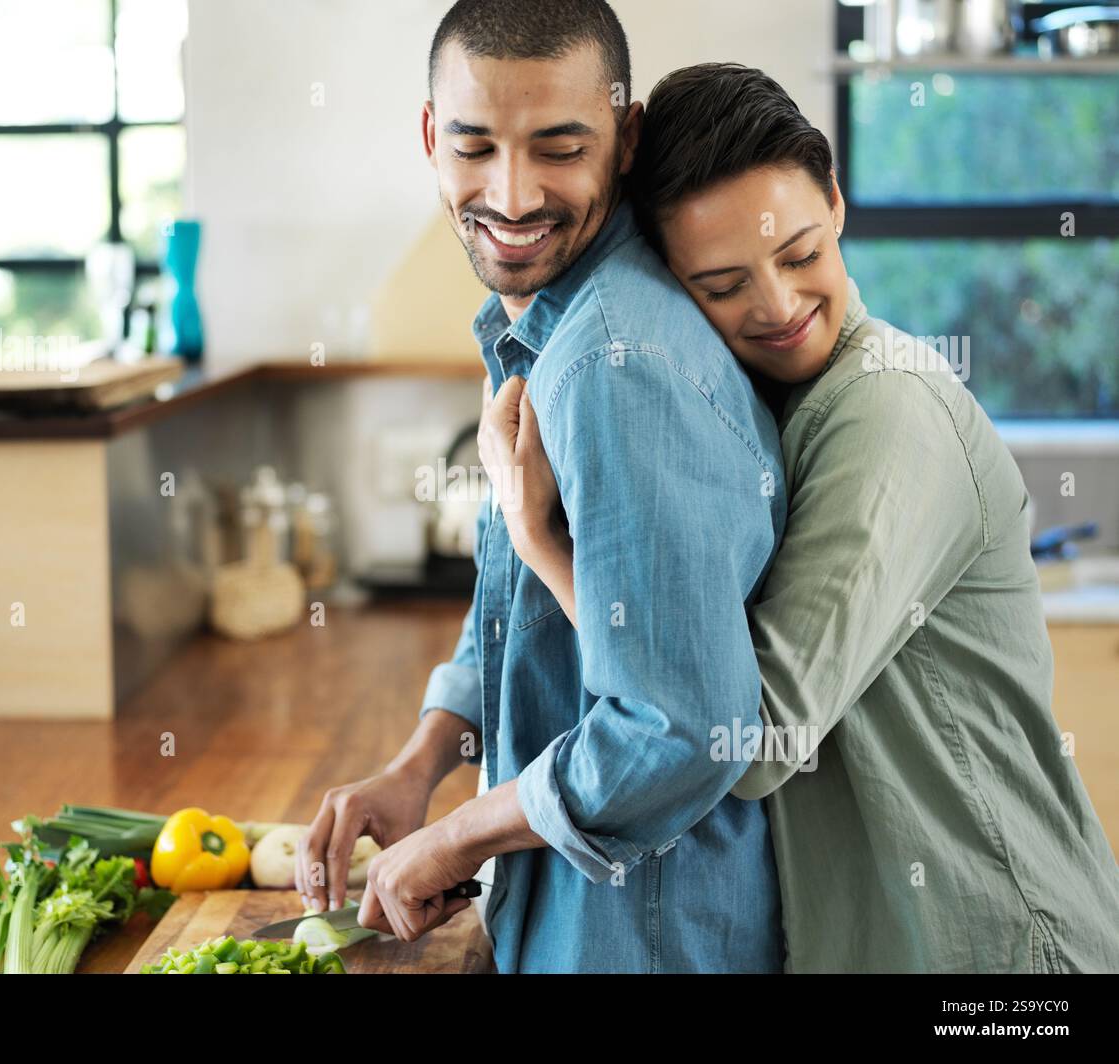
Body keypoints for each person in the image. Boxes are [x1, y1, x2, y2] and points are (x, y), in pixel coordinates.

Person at [478, 62, 1119, 972]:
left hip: (1008, 961)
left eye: (801, 253)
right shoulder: (755, 402)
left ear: (837, 203)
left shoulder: (889, 411)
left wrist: (541, 545)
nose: (778, 307)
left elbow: (751, 737)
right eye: (723, 282)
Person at [296, 1, 788, 973]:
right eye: (475, 147)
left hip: (635, 937)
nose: (512, 196)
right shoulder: (539, 320)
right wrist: (422, 760)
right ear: (430, 137)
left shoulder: (613, 359)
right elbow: (527, 603)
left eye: (559, 149)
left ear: (626, 137)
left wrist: (453, 836)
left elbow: (679, 728)